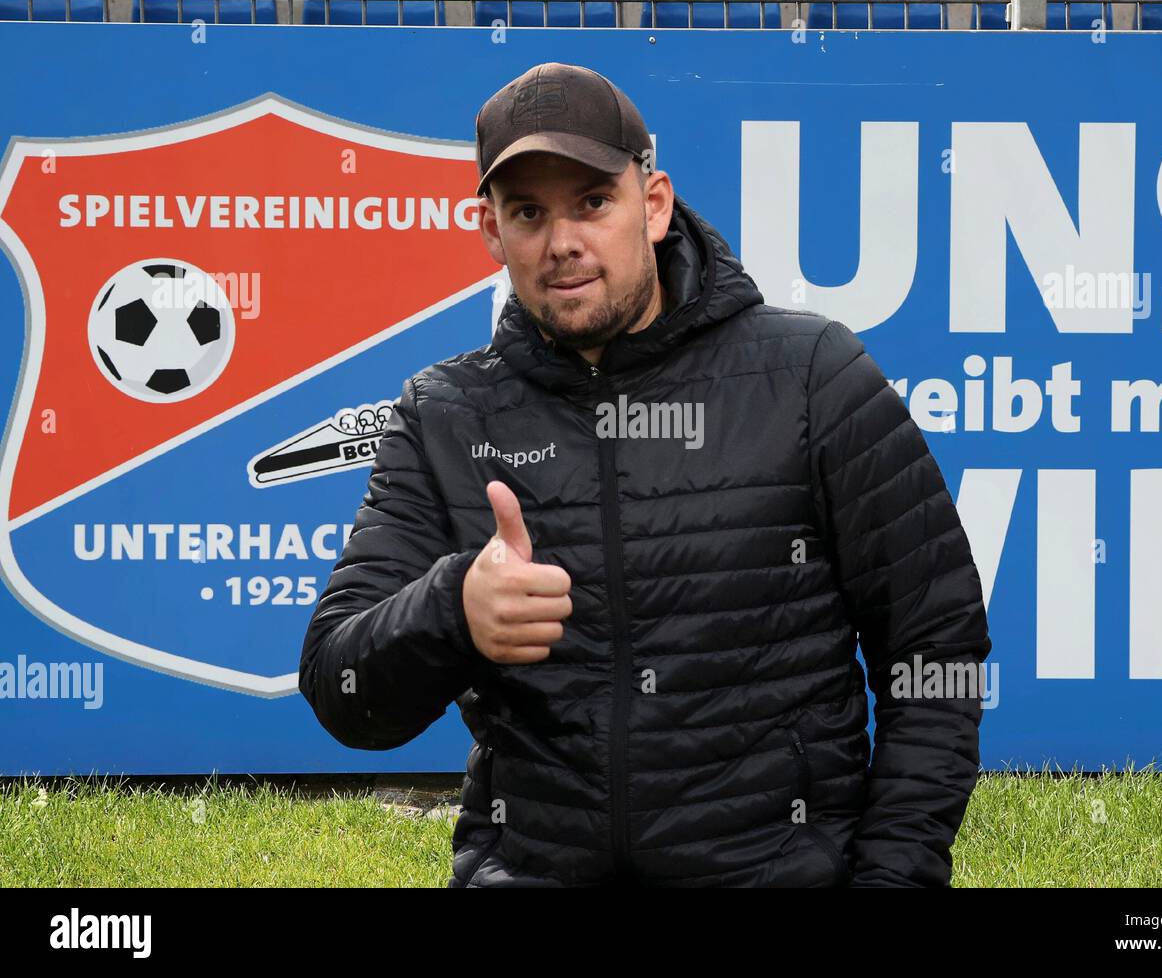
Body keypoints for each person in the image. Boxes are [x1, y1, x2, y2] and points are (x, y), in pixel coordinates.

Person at [298, 61, 993, 888]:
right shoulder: (444, 413)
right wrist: (453, 610)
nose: (563, 243)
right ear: (490, 231)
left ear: (653, 204)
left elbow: (935, 651)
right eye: (528, 213)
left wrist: (894, 877)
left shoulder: (814, 376)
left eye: (593, 202)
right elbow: (342, 690)